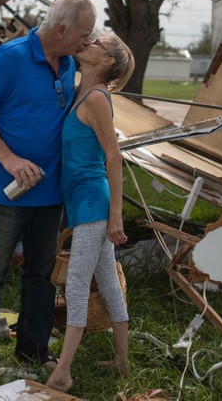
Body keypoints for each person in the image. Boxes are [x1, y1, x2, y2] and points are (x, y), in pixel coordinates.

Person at [0, 0, 97, 374]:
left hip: (50, 190)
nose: (88, 41)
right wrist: (9, 158)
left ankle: (33, 350)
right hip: (7, 189)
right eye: (84, 34)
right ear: (60, 29)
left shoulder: (71, 62)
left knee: (42, 272)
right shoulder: (8, 59)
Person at [46, 32, 135, 393]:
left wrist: (116, 215)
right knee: (109, 283)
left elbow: (113, 157)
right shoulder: (80, 89)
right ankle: (123, 360)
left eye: (97, 41)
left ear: (107, 61)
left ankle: (64, 370)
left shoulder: (98, 98)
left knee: (77, 284)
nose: (89, 41)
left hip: (92, 204)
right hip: (81, 200)